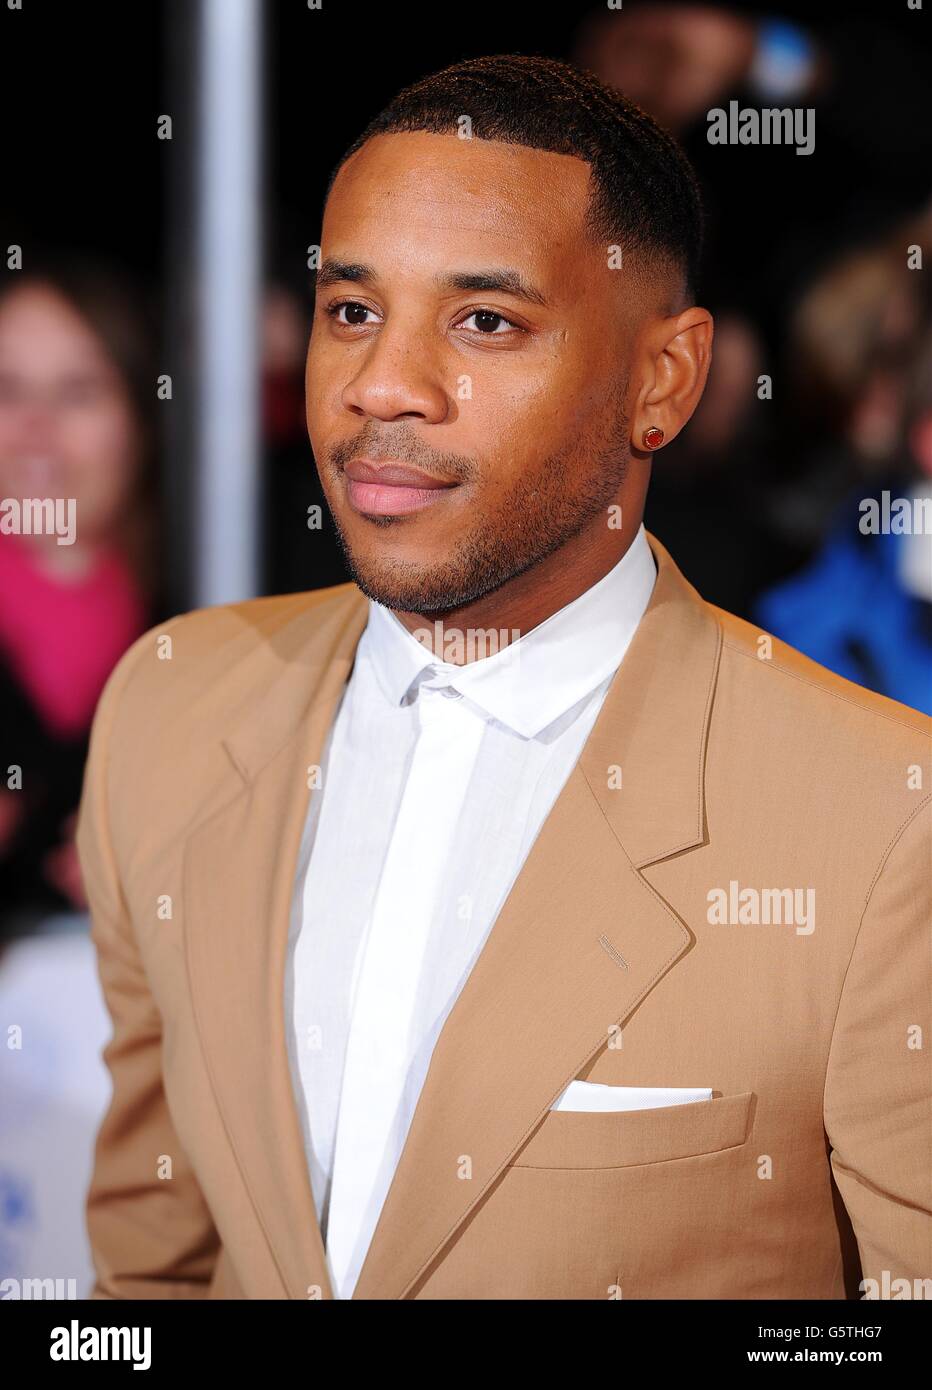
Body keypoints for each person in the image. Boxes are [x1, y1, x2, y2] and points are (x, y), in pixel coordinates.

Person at [76, 55, 930, 1301]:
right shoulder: (169, 704)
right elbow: (151, 1281)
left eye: (483, 321)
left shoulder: (878, 819)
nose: (381, 386)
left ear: (663, 381)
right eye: (350, 310)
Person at [0, 262, 161, 936]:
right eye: (7, 390)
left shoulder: (210, 624)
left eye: (77, 392)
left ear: (140, 422)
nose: (36, 427)